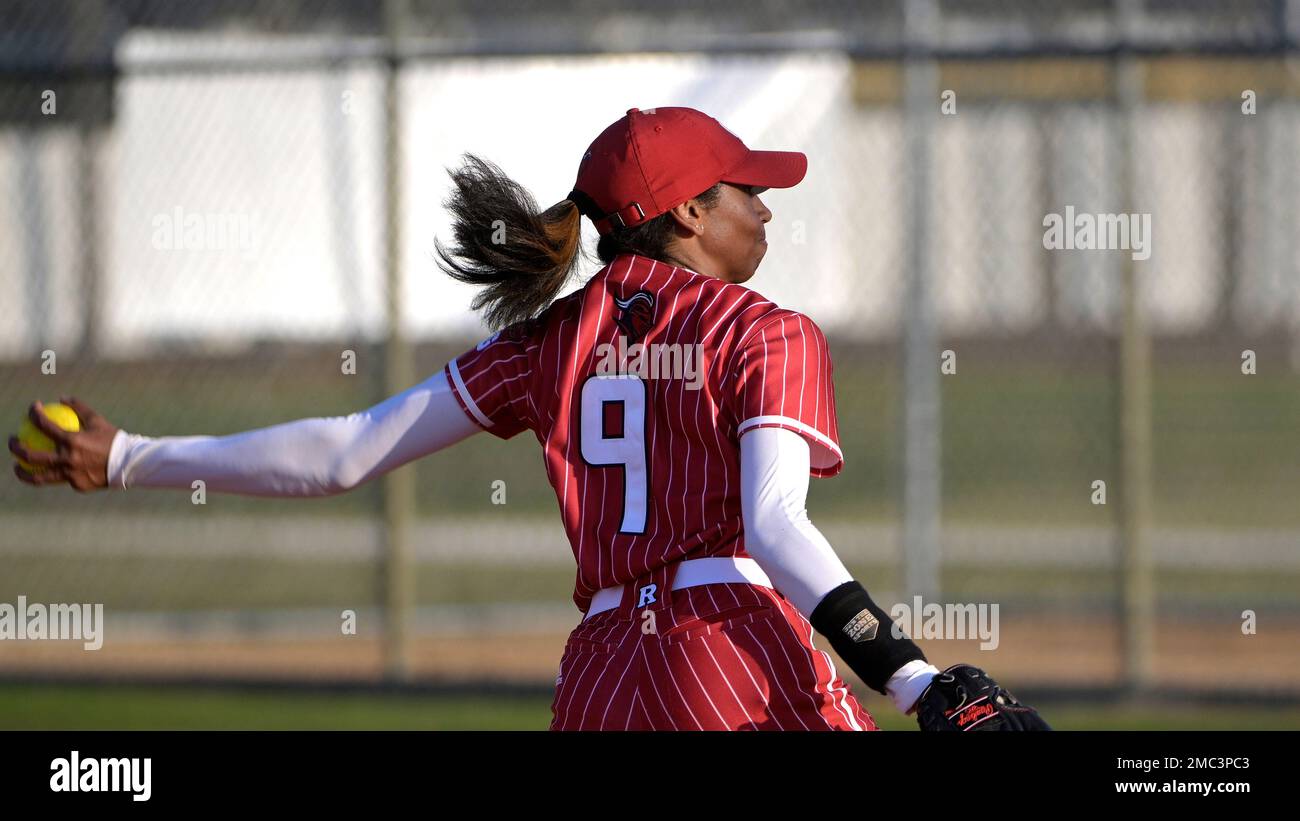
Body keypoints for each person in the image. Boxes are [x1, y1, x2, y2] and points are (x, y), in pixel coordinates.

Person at [10, 106, 1048, 731]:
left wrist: (135, 454)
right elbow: (774, 528)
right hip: (730, 651)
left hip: (599, 675)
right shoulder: (762, 329)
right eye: (745, 188)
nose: (764, 206)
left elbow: (346, 452)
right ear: (687, 211)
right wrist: (914, 677)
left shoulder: (547, 342)